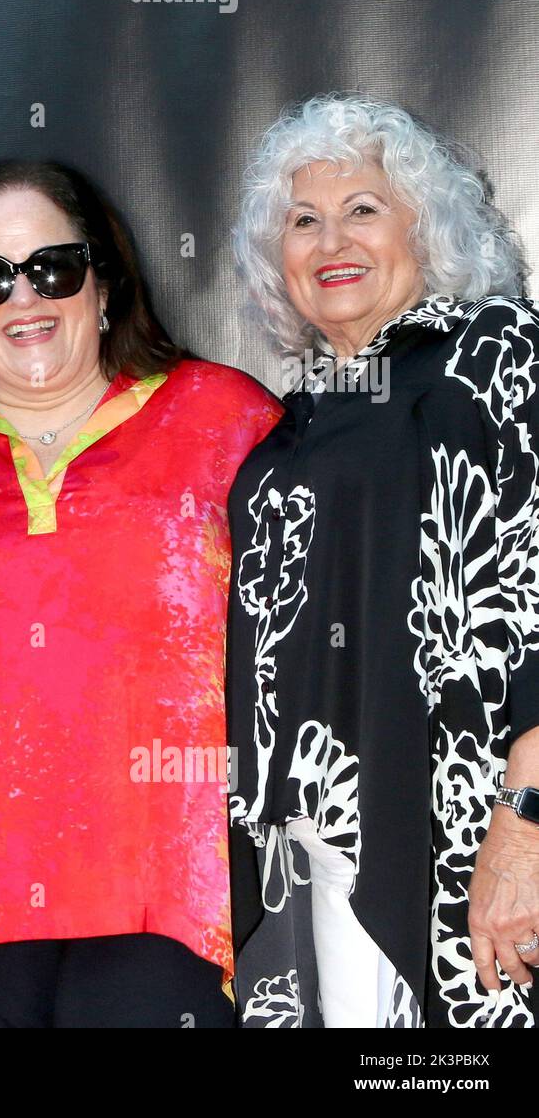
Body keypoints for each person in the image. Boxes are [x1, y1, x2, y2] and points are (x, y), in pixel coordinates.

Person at [0, 160, 281, 1027]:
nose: (23, 299)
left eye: (53, 267)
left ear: (106, 282)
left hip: (175, 910)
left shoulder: (225, 420)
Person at [227, 93, 539, 1027]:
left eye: (363, 208)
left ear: (425, 226)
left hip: (473, 847)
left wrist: (525, 831)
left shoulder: (494, 355)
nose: (332, 241)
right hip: (331, 861)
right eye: (303, 220)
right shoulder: (295, 424)